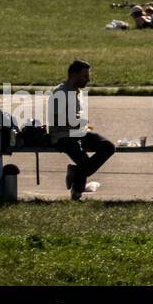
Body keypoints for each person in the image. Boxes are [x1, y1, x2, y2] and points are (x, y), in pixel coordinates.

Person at [48, 60, 114, 200]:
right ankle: (77, 191)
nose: (88, 79)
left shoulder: (77, 92)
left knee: (108, 146)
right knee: (84, 162)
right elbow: (58, 121)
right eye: (85, 76)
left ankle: (76, 171)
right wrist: (78, 122)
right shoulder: (60, 93)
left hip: (79, 132)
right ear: (73, 75)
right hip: (63, 136)